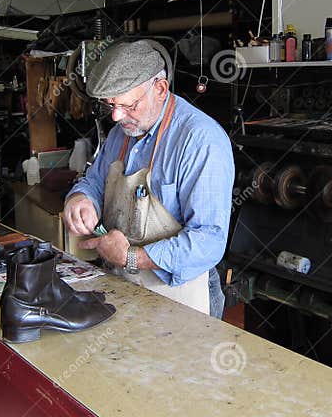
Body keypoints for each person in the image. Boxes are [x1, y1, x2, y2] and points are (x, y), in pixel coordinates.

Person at [62, 40, 234, 315]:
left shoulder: (201, 141)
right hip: (123, 285)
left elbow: (209, 241)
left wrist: (132, 257)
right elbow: (94, 181)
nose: (117, 116)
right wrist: (81, 198)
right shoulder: (123, 132)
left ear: (161, 89)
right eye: (111, 105)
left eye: (129, 105)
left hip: (180, 295)